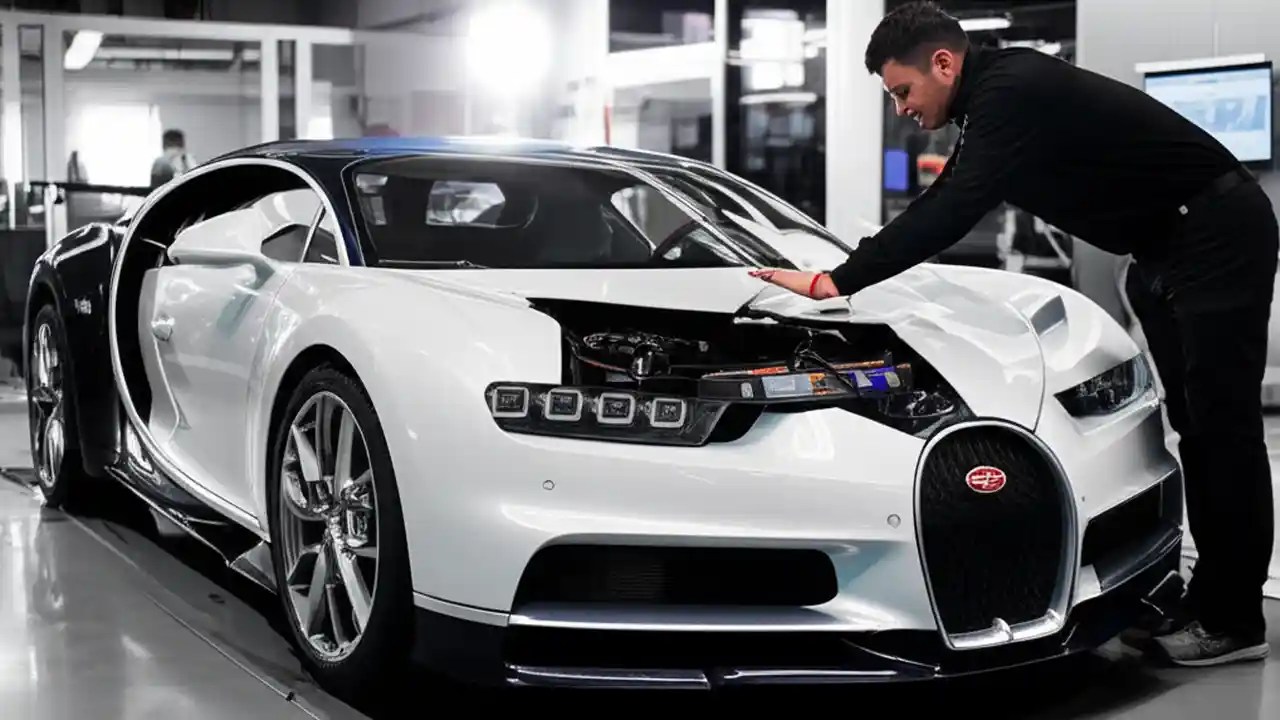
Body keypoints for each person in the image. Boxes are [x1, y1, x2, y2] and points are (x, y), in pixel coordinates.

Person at [751, 1, 1276, 667]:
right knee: (1197, 429)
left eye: (902, 91)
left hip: (1213, 233)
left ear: (944, 63)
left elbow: (953, 204)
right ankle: (1210, 600)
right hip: (1165, 251)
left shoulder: (1010, 91)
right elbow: (955, 197)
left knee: (1222, 431)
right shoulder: (992, 104)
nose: (901, 110)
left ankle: (1233, 620)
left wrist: (839, 280)